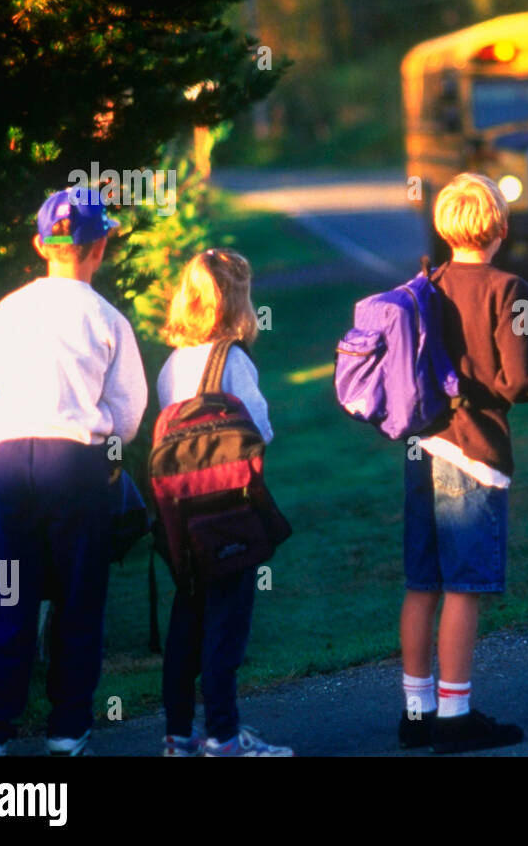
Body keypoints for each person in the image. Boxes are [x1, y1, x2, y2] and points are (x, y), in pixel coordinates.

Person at [0, 187, 147, 756]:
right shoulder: (108, 319)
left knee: (6, 598)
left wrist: (8, 436)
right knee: (80, 598)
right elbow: (129, 416)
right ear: (102, 246)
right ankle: (67, 729)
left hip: (11, 461)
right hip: (77, 463)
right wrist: (89, 427)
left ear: (41, 244)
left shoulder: (7, 310)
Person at [398, 173, 528, 754]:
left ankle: (417, 710)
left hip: (422, 444)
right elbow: (522, 380)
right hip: (473, 451)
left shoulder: (428, 283)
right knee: (464, 585)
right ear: (502, 228)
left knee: (423, 581)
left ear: (444, 225)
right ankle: (456, 715)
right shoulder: (509, 288)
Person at [156, 247, 292, 757]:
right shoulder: (232, 360)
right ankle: (225, 735)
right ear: (238, 303)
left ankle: (177, 734)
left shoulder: (172, 364)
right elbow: (261, 431)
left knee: (186, 621)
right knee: (225, 625)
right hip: (227, 516)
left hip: (179, 518)